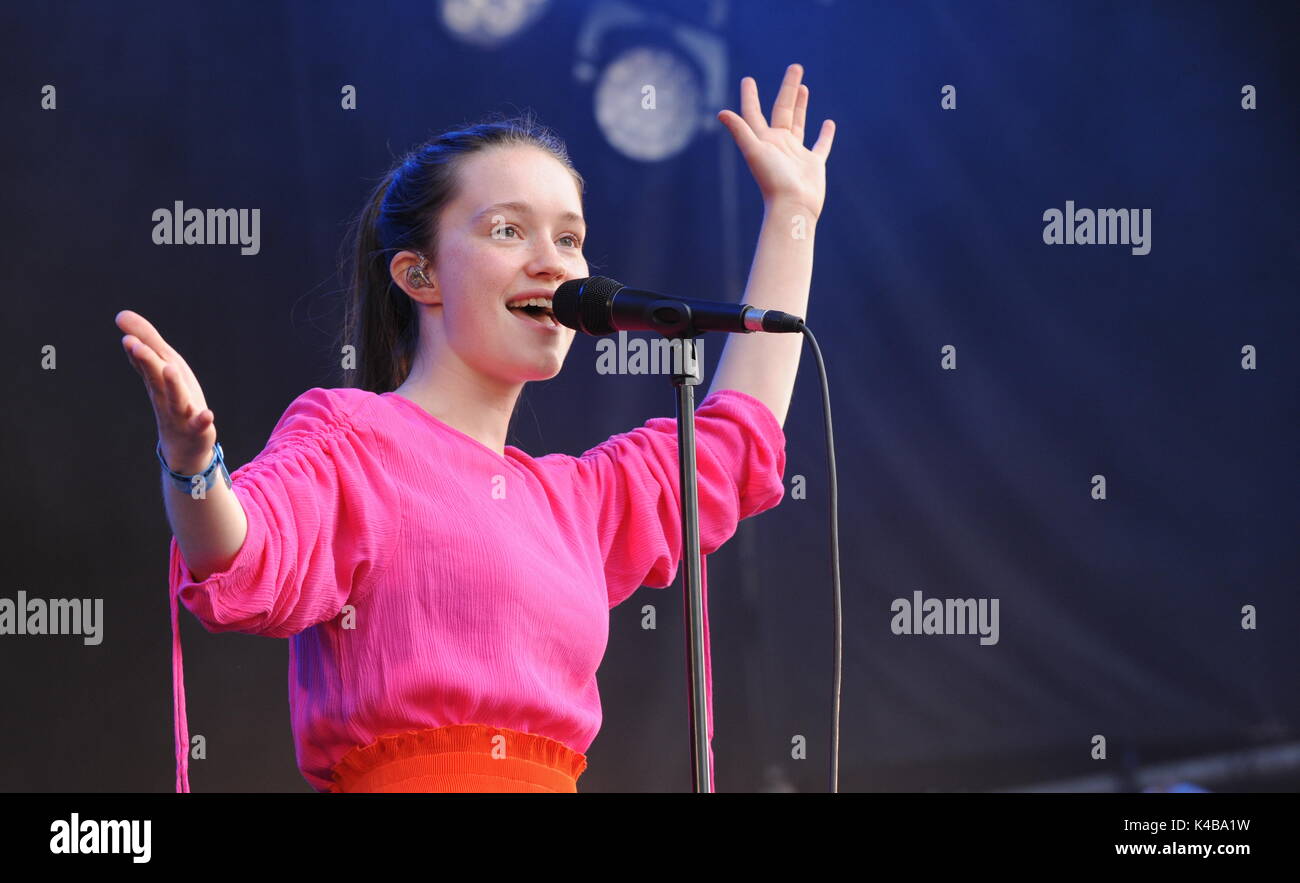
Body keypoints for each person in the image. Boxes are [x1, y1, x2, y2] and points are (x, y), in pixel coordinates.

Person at [118, 63, 834, 792]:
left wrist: (792, 213)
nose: (552, 263)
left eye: (569, 238)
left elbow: (731, 439)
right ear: (419, 275)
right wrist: (192, 463)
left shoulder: (576, 503)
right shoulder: (355, 438)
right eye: (508, 229)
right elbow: (242, 551)